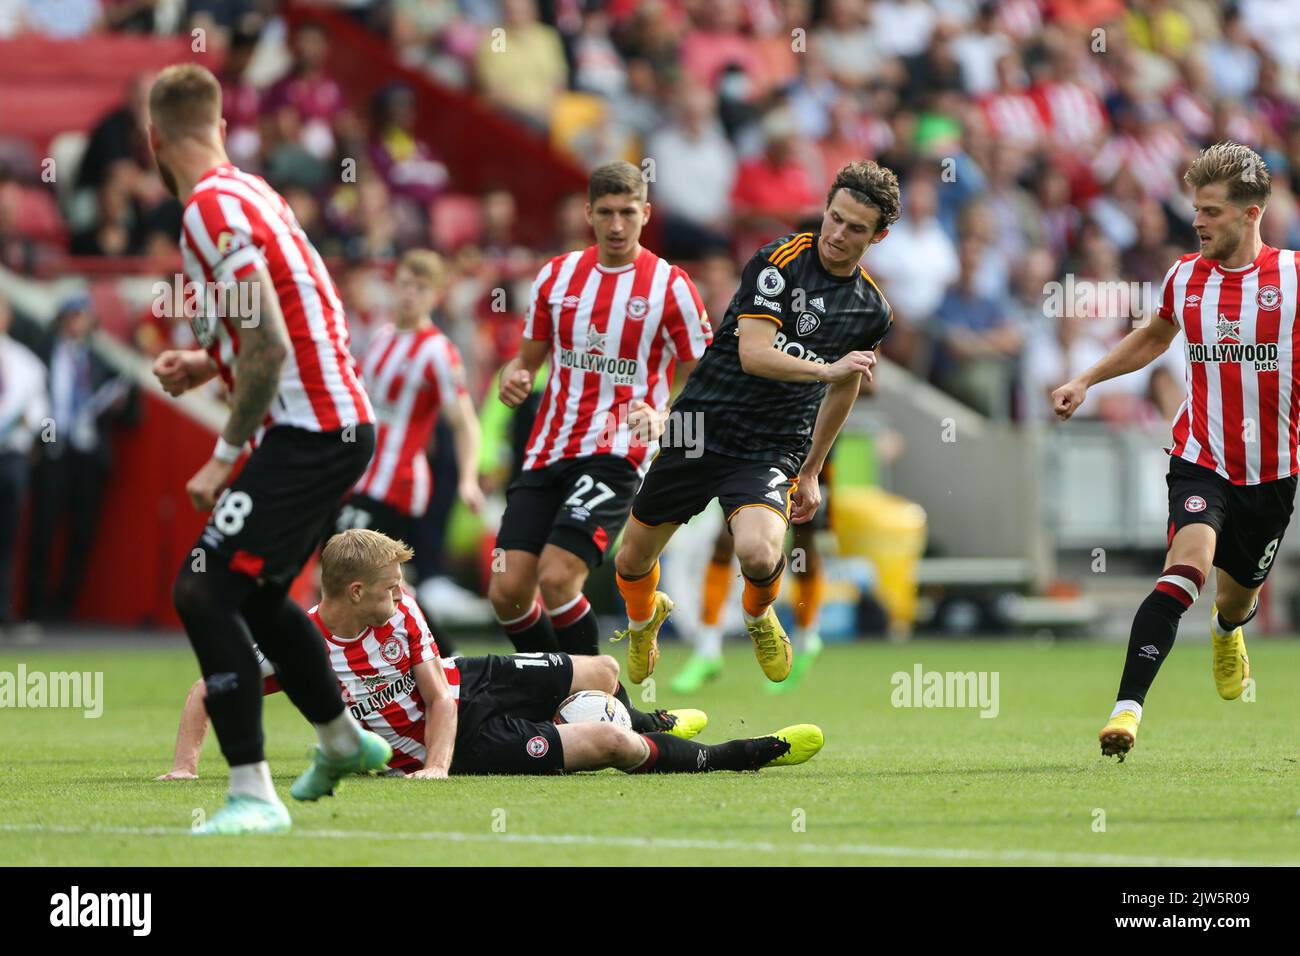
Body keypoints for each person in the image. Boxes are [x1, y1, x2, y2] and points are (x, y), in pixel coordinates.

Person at [147, 63, 387, 835]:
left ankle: (252, 794)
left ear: (154, 139)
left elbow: (271, 344)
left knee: (201, 589)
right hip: (337, 423)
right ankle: (342, 740)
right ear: (220, 127)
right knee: (252, 592)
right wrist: (207, 362)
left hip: (309, 430)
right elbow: (303, 309)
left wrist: (225, 450)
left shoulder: (206, 212)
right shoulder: (255, 193)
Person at [159, 530, 819, 779]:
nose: (405, 594)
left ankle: (648, 721)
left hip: (462, 688)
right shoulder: (295, 642)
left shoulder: (401, 610)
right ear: (354, 593)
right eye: (391, 587)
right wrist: (186, 767)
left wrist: (433, 770)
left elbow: (441, 694)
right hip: (470, 740)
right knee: (605, 745)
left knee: (604, 671)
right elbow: (206, 688)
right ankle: (743, 753)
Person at [1051, 142, 1295, 760]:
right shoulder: (1185, 275)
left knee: (1236, 598)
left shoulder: (1292, 279)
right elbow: (1154, 335)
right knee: (1186, 566)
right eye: (1196, 210)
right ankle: (1126, 712)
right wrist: (1085, 379)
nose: (1198, 221)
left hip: (1271, 473)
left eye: (1212, 211)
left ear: (1250, 214)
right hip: (1200, 457)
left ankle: (1226, 629)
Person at [613, 161, 897, 685]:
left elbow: (847, 383)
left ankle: (756, 615)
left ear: (878, 236)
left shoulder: (871, 310)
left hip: (772, 443)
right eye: (834, 218)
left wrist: (811, 470)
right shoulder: (778, 261)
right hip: (701, 425)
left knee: (759, 550)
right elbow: (754, 353)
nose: (837, 234)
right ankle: (642, 618)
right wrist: (826, 368)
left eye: (856, 228)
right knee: (630, 559)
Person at [490, 160, 710, 721]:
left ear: (646, 214)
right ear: (588, 213)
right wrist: (513, 378)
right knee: (508, 591)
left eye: (628, 213)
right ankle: (558, 695)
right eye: (606, 213)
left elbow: (706, 376)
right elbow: (525, 363)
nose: (616, 225)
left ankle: (613, 709)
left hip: (617, 451)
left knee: (559, 574)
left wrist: (665, 415)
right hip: (547, 449)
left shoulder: (671, 286)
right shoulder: (555, 277)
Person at [334, 248, 483, 654]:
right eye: (403, 285)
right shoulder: (382, 337)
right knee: (383, 578)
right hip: (362, 474)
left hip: (396, 481)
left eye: (420, 288)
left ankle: (434, 657)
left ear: (435, 296)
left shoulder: (438, 352)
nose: (409, 295)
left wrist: (468, 478)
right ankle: (444, 657)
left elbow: (465, 421)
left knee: (345, 564)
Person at [25, 293, 137, 626]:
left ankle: (65, 607)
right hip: (55, 450)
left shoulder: (99, 359)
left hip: (89, 453)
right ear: (61, 319)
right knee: (43, 529)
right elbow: (37, 402)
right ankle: (34, 608)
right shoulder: (42, 351)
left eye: (82, 316)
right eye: (71, 315)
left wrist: (120, 406)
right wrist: (45, 442)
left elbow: (129, 408)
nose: (77, 322)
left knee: (82, 532)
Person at [0, 296, 46, 638]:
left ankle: (5, 615)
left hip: (11, 457)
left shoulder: (27, 363)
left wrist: (33, 429)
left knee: (7, 537)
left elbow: (44, 416)